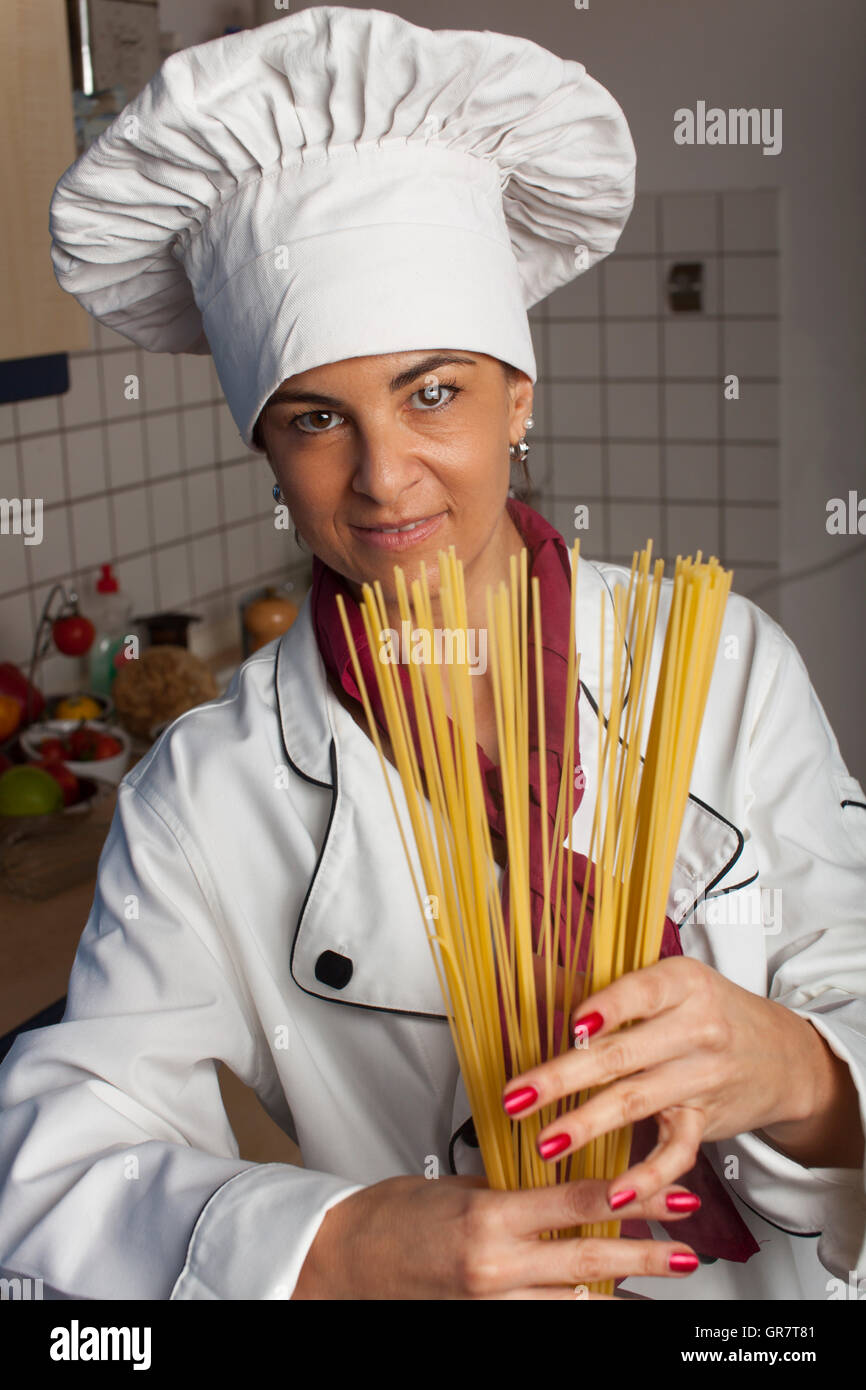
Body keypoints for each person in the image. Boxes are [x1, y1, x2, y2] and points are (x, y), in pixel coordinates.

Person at [0, 8, 863, 1301]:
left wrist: (799, 1068)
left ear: (519, 395)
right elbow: (59, 1159)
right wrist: (336, 1243)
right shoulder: (208, 789)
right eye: (315, 418)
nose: (384, 475)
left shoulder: (723, 665)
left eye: (433, 391)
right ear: (266, 448)